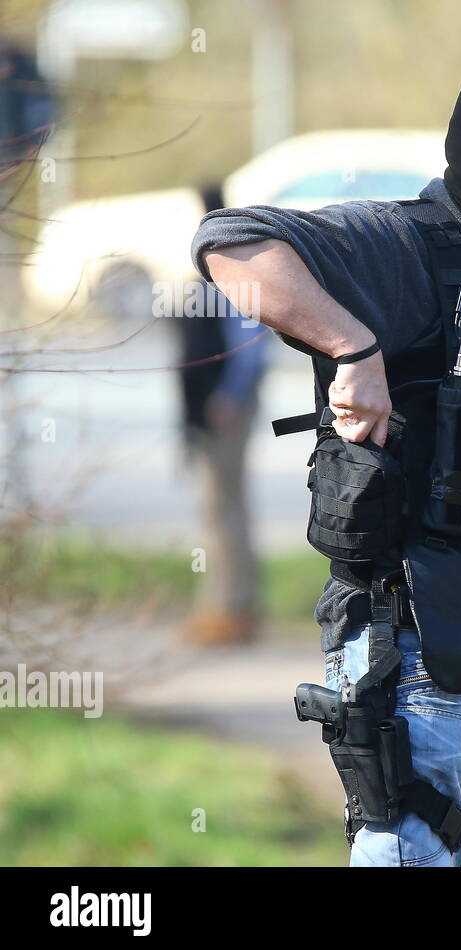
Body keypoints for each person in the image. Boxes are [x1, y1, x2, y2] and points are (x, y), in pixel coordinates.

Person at [192, 56, 461, 867]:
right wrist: (353, 348)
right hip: (413, 646)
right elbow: (229, 246)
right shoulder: (396, 244)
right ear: (455, 135)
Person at [179, 185, 270, 647]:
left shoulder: (233, 271)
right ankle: (231, 607)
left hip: (224, 407)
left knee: (222, 511)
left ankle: (229, 612)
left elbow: (250, 346)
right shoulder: (219, 267)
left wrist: (228, 396)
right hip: (214, 406)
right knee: (223, 509)